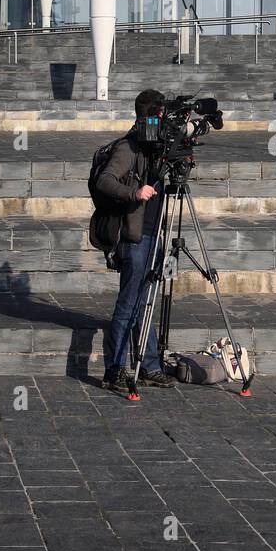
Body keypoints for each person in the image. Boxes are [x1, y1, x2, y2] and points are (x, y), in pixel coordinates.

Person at [95, 89, 177, 391]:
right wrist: (134, 193)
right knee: (129, 303)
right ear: (146, 117)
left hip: (154, 233)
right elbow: (105, 180)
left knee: (144, 304)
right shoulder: (129, 146)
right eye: (157, 117)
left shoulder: (158, 146)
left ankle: (149, 365)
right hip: (134, 236)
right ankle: (113, 370)